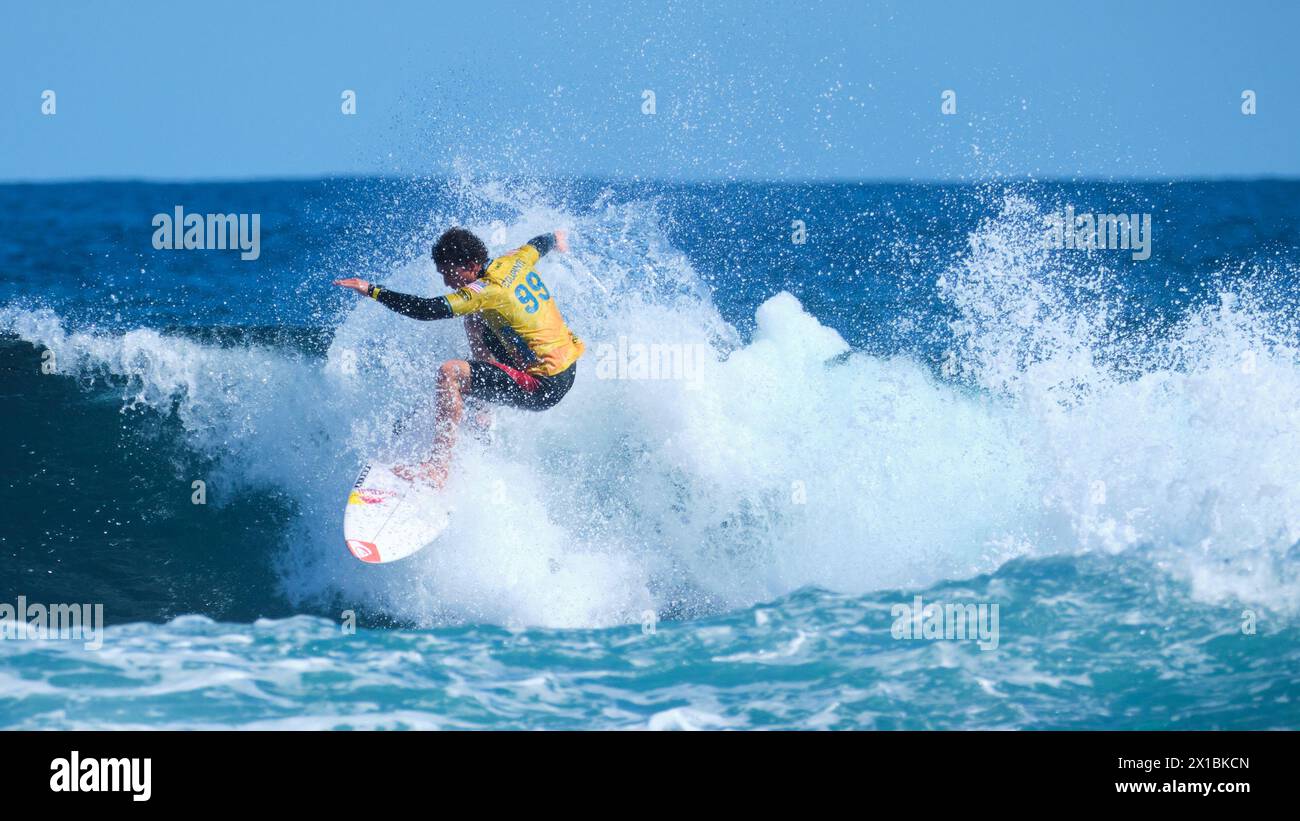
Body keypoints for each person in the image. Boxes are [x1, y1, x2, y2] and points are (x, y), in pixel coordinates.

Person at [333, 226, 584, 488]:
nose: (447, 282)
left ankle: (437, 468)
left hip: (542, 386)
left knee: (449, 373)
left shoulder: (487, 291)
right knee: (474, 317)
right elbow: (538, 243)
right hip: (567, 364)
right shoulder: (515, 260)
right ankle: (484, 406)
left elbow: (426, 310)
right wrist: (556, 239)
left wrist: (372, 290)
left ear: (471, 265)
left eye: (449, 273)